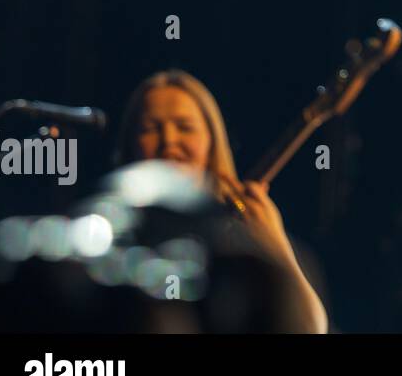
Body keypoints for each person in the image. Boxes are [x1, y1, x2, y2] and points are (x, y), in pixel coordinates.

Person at [114, 68, 329, 333]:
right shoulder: (113, 235)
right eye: (150, 128)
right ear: (131, 144)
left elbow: (310, 329)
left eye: (185, 127)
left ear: (211, 143)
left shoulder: (238, 245)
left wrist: (276, 245)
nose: (169, 141)